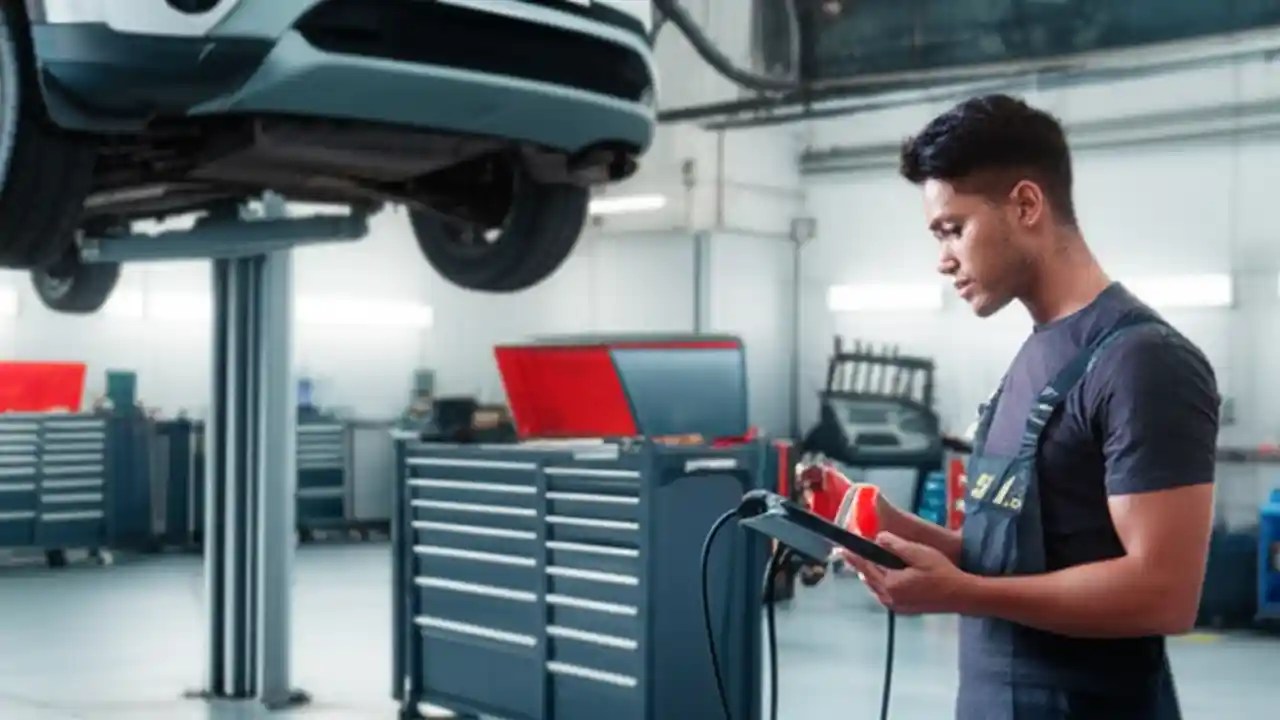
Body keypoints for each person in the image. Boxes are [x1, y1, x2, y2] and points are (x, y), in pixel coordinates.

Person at [842, 94, 1220, 720]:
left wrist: (962, 593)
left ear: (1025, 205)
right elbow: (1016, 560)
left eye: (953, 228)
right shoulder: (1034, 358)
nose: (943, 259)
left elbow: (1164, 594)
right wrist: (891, 528)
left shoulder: (1141, 361)